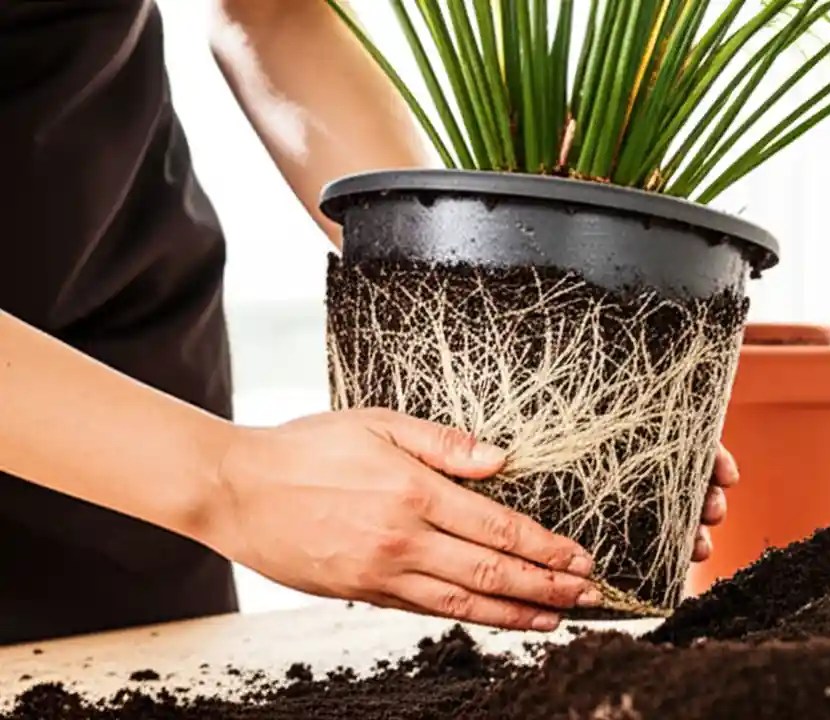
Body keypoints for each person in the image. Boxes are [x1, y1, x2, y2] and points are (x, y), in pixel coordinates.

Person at [0, 0, 737, 646]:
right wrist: (229, 483)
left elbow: (274, 11)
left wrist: (480, 294)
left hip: (127, 339)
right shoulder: (218, 479)